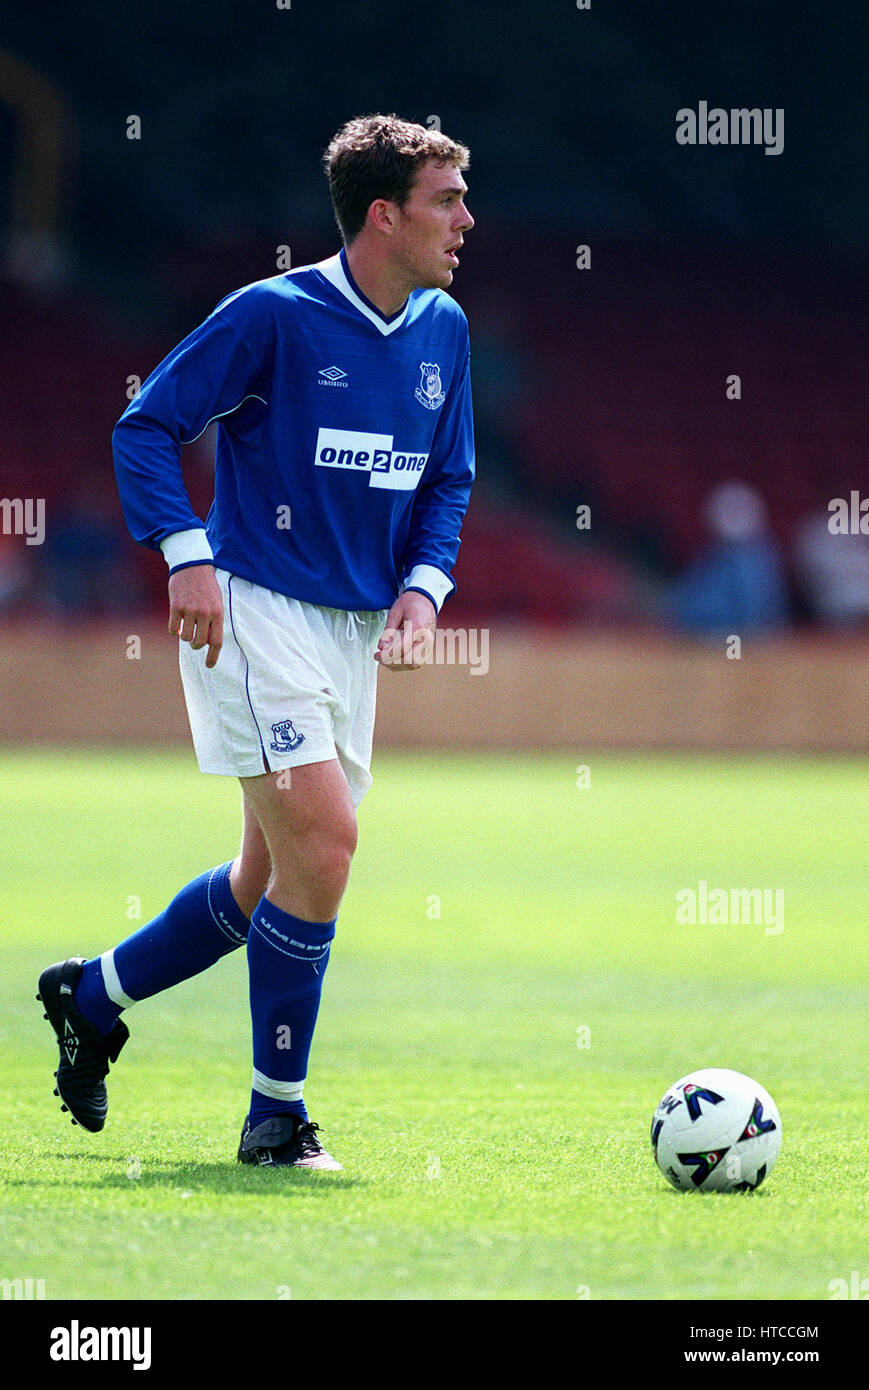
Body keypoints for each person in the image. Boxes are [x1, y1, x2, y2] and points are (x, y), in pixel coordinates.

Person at [37, 114, 475, 1170]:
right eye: (447, 200)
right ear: (385, 214)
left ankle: (90, 997)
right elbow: (146, 425)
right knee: (324, 847)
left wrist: (422, 590)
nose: (467, 219)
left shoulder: (444, 329)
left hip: (352, 631)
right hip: (256, 612)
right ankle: (276, 1118)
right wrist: (184, 554)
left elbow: (448, 477)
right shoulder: (272, 314)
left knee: (263, 876)